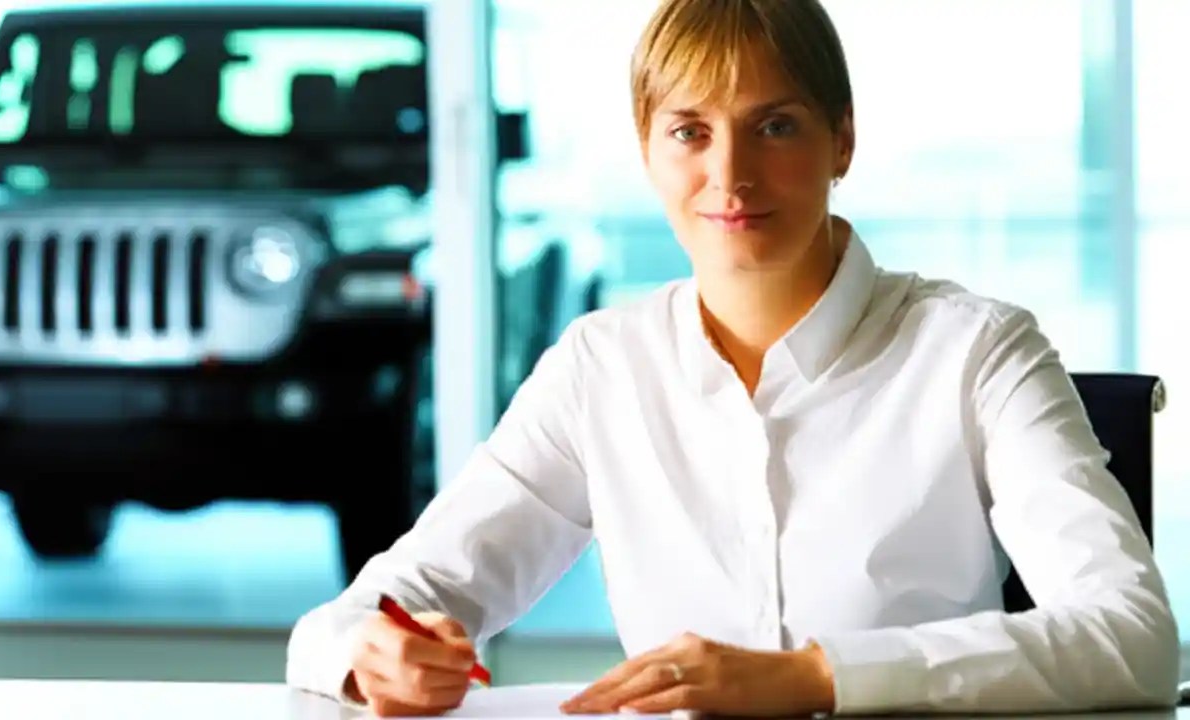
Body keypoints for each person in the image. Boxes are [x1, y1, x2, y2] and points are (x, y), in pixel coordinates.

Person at [286, 0, 1183, 716]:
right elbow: (362, 616)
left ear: (843, 139)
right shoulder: (602, 366)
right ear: (648, 146)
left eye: (776, 127)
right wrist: (370, 655)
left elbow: (1134, 636)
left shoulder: (979, 351)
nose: (730, 175)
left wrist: (816, 678)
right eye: (690, 131)